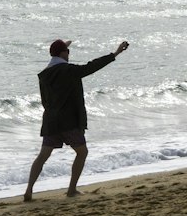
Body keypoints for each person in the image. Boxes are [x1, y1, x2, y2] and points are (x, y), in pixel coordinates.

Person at [25, 38, 129, 200]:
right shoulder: (69, 70)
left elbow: (45, 99)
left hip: (51, 122)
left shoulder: (44, 75)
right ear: (63, 53)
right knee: (82, 152)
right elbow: (92, 66)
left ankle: (29, 190)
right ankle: (72, 189)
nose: (69, 55)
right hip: (69, 122)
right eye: (67, 52)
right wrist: (115, 53)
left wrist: (62, 48)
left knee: (42, 156)